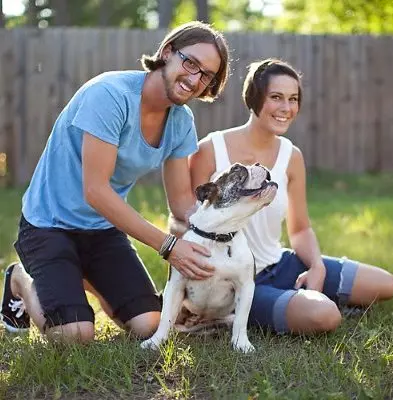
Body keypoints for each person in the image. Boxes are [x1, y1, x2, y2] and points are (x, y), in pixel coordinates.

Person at [0, 21, 230, 343]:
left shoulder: (180, 121)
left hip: (102, 230)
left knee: (151, 324)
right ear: (167, 53)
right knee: (75, 336)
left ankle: (78, 274)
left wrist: (223, 232)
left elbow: (181, 204)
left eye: (206, 75)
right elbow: (95, 191)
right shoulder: (110, 95)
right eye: (190, 63)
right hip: (48, 226)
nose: (194, 79)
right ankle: (21, 279)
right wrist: (169, 247)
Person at [189, 58, 393, 334]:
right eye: (276, 97)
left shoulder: (291, 156)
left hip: (280, 263)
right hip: (234, 281)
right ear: (254, 98)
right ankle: (278, 306)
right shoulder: (211, 149)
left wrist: (317, 266)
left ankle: (296, 297)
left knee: (385, 285)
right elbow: (191, 222)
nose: (286, 108)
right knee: (324, 317)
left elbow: (299, 228)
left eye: (293, 99)